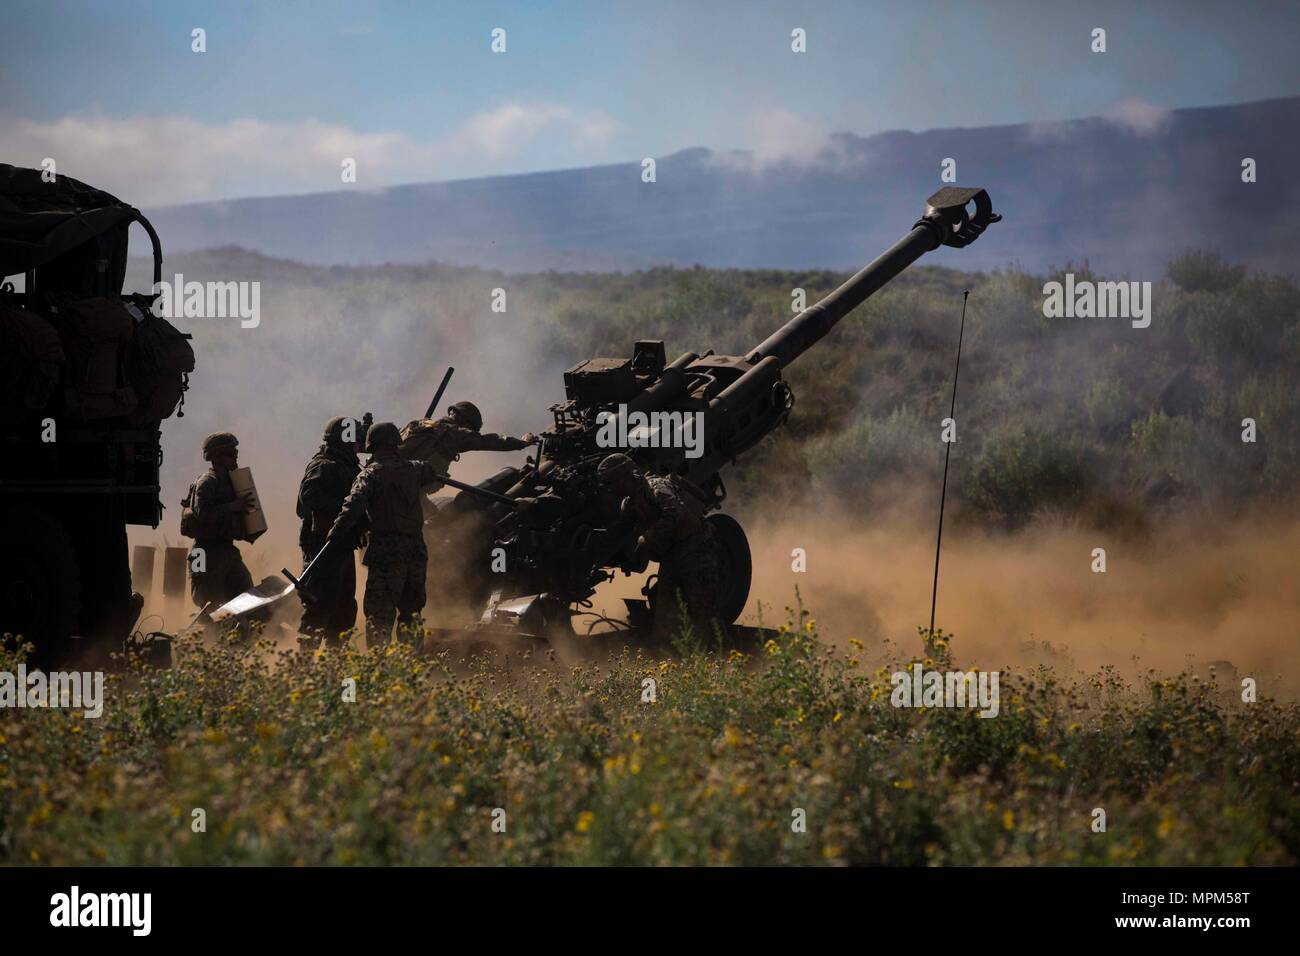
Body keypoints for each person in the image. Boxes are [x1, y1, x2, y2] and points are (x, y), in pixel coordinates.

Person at [327, 422, 444, 647]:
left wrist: (334, 535)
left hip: (387, 553)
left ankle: (379, 670)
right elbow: (430, 470)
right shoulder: (415, 469)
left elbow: (352, 506)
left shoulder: (370, 474)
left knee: (379, 617)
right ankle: (411, 666)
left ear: (372, 446)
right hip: (416, 553)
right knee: (411, 613)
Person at [595, 453, 720, 641]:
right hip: (672, 557)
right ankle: (671, 660)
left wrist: (647, 538)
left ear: (627, 476)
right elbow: (619, 531)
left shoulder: (657, 488)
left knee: (704, 614)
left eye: (611, 482)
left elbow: (674, 514)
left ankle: (722, 658)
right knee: (665, 616)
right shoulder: (630, 503)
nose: (609, 489)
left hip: (696, 551)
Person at [295, 416, 363, 646]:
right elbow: (309, 497)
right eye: (355, 441)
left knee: (344, 607)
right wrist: (345, 509)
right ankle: (304, 666)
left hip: (342, 543)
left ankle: (334, 664)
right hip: (322, 544)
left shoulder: (348, 467)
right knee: (320, 603)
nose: (358, 447)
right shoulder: (323, 465)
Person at [183, 432, 256, 611]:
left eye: (235, 452)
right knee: (208, 604)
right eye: (230, 453)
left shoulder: (232, 482)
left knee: (247, 598)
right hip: (203, 551)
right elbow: (202, 513)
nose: (236, 456)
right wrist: (232, 506)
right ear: (216, 457)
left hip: (226, 549)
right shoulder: (207, 482)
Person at [397, 400, 537, 494]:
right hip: (406, 491)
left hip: (389, 481)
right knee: (439, 525)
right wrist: (521, 443)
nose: (470, 431)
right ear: (464, 420)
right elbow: (489, 441)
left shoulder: (416, 426)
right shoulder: (455, 433)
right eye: (471, 428)